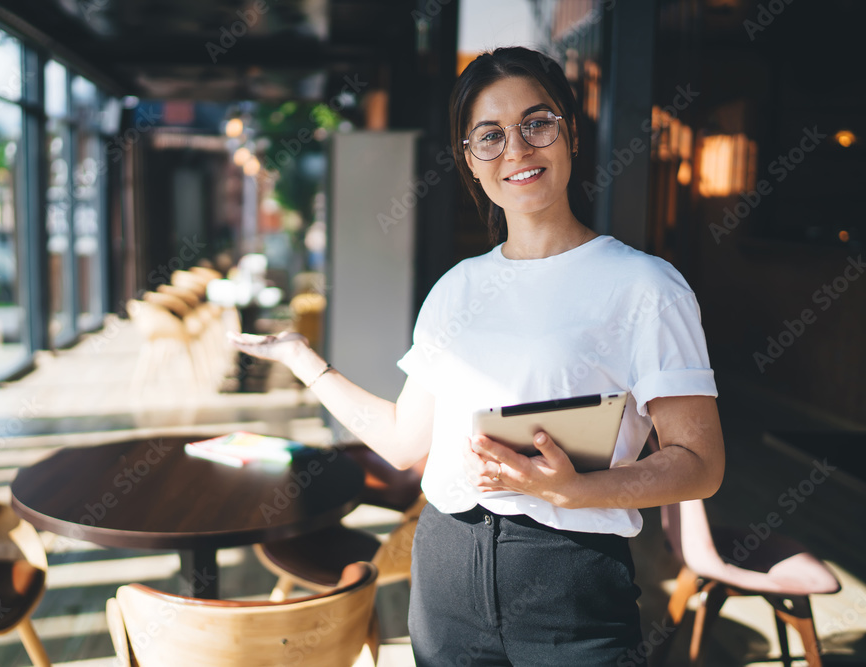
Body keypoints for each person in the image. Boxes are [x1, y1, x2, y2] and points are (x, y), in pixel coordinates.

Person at [229, 46, 724, 666]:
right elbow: (407, 442)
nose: (516, 150)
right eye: (489, 136)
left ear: (569, 131)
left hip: (569, 578)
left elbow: (701, 465)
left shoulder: (646, 286)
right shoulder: (456, 287)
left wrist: (579, 488)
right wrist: (304, 359)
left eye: (535, 123)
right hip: (445, 572)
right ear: (470, 160)